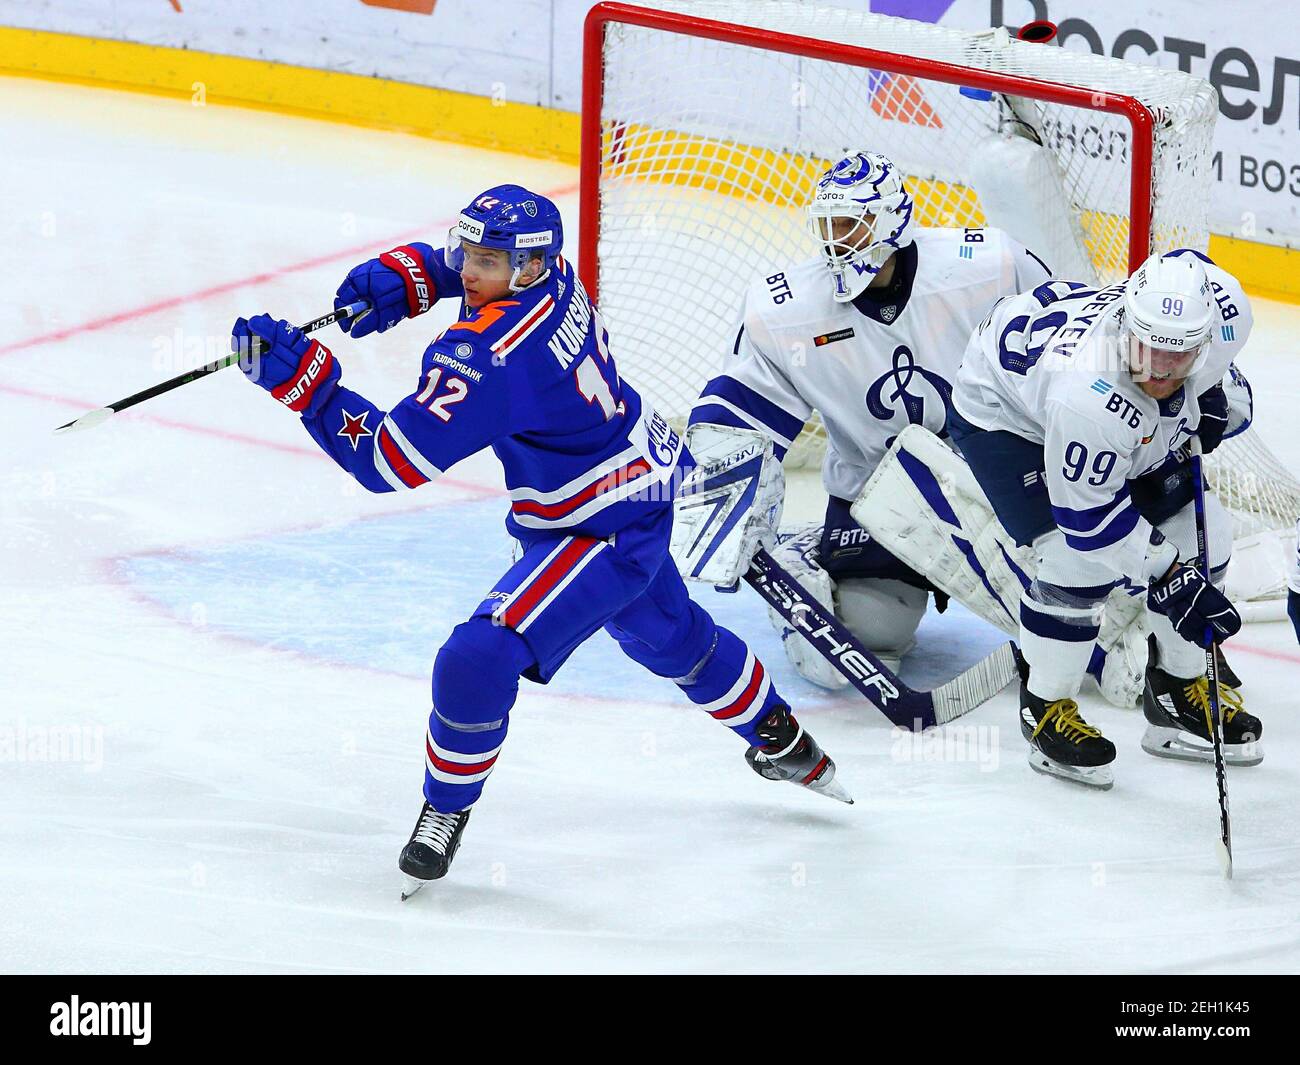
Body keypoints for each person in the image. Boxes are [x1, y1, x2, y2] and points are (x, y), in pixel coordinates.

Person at [231, 185, 850, 895]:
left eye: (485, 260)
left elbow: (387, 461)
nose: (468, 269)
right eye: (467, 252)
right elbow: (462, 267)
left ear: (526, 268)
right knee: (671, 638)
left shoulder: (490, 357)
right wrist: (412, 277)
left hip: (595, 528)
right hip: (639, 489)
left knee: (476, 657)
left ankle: (445, 807)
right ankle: (782, 737)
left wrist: (307, 384)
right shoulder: (553, 275)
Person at [672, 150, 1052, 682]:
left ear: (893, 220)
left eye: (853, 223)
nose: (837, 240)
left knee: (1074, 629)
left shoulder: (992, 268)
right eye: (828, 226)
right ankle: (803, 560)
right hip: (876, 498)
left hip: (998, 478)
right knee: (863, 645)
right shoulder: (786, 310)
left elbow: (1067, 357)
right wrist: (725, 497)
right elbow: (744, 411)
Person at [947, 249, 1261, 788]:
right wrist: (1169, 577)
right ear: (1125, 326)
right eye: (1150, 348)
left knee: (1206, 529)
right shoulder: (1086, 398)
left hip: (1086, 391)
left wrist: (1212, 394)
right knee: (1075, 563)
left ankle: (1176, 691)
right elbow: (1089, 523)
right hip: (1004, 414)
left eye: (1180, 352)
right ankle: (1044, 708)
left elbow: (1188, 260)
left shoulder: (1224, 310)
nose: (1161, 368)